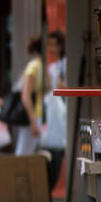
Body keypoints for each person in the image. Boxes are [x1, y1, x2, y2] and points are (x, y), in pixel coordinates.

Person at [13, 33, 45, 157]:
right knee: (24, 153)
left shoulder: (43, 65)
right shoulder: (35, 66)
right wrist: (33, 121)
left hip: (41, 115)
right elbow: (25, 95)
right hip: (35, 115)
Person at [45, 30, 67, 184]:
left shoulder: (66, 64)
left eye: (53, 45)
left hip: (66, 111)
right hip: (55, 116)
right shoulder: (52, 68)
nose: (50, 49)